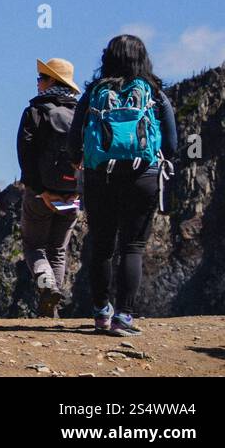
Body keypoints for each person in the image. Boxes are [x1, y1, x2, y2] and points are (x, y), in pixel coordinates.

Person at [69, 35, 178, 336]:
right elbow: (171, 144)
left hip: (99, 175)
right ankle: (124, 317)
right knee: (133, 246)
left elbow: (73, 138)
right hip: (142, 176)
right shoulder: (155, 94)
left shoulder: (93, 92)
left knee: (102, 245)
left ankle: (102, 313)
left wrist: (80, 160)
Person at [16, 58, 82, 317]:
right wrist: (79, 190)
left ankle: (47, 287)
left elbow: (25, 154)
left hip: (40, 195)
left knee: (34, 247)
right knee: (57, 250)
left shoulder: (35, 111)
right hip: (72, 195)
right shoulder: (81, 115)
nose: (38, 82)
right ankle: (51, 309)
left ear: (52, 81)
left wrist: (39, 189)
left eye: (41, 78)